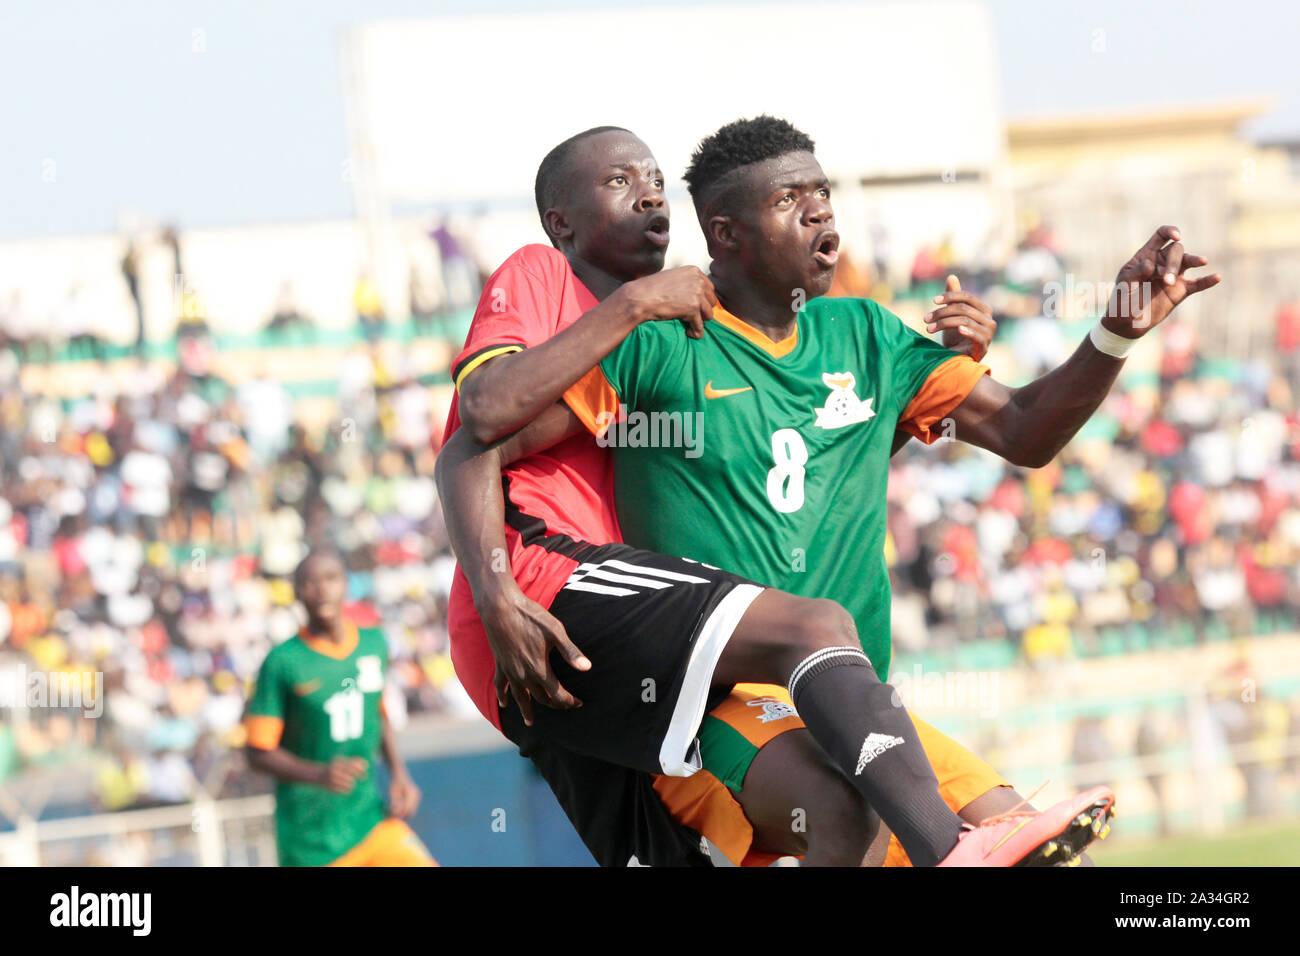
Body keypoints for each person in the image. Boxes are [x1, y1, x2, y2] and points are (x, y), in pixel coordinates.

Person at [436, 125, 1121, 867]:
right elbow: (476, 431)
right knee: (841, 799)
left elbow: (1018, 431)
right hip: (631, 636)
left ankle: (954, 844)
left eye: (823, 192)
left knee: (1038, 848)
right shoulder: (628, 319)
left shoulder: (860, 333)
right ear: (725, 234)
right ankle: (950, 848)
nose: (650, 193)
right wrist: (495, 590)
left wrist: (1112, 331)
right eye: (619, 182)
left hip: (813, 688)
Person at [243, 548, 436, 867]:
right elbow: (256, 752)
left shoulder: (374, 643)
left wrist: (399, 774)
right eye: (309, 582)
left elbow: (377, 712)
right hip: (311, 841)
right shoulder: (282, 662)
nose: (321, 590)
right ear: (296, 592)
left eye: (330, 579)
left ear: (346, 584)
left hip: (369, 821)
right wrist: (318, 774)